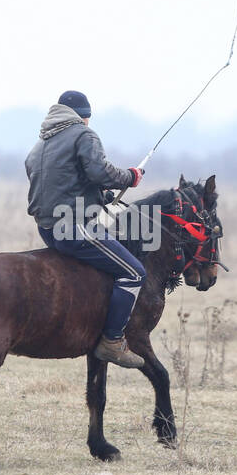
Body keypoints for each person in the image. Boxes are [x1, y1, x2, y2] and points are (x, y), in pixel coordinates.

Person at [25, 90, 146, 368]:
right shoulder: (83, 134)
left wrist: (96, 198)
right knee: (134, 273)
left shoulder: (42, 143)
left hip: (48, 229)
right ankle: (112, 342)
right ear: (84, 116)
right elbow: (101, 173)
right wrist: (131, 176)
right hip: (74, 229)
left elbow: (62, 182)